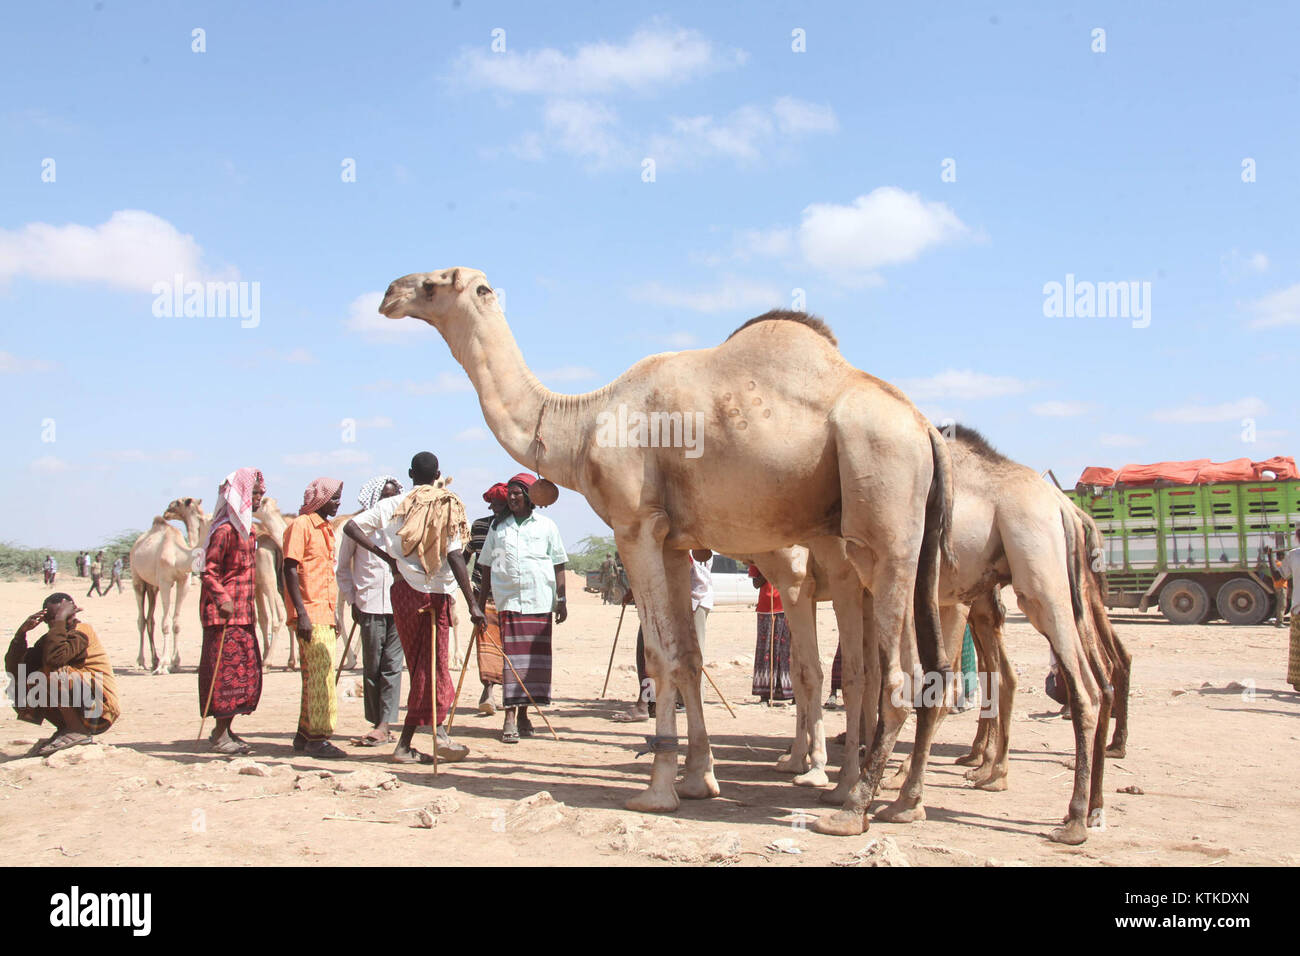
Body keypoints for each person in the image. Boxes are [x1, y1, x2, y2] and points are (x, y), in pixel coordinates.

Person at [344, 453, 483, 764]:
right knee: (430, 667)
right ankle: (419, 741)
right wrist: (472, 603)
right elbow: (456, 556)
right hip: (437, 593)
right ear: (438, 473)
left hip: (404, 592)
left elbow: (351, 527)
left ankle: (423, 738)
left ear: (410, 473)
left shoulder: (390, 504)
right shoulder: (446, 503)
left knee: (422, 666)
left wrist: (387, 557)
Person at [477, 473, 567, 743]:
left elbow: (559, 563)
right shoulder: (498, 528)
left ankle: (525, 714)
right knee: (511, 662)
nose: (513, 498)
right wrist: (478, 606)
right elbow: (485, 565)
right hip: (509, 602)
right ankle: (509, 717)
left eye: (518, 493)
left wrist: (562, 600)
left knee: (533, 665)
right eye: (511, 494)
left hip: (539, 601)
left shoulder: (547, 526)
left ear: (530, 497)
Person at [199, 468, 266, 755]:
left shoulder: (249, 530)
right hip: (224, 616)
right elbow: (207, 570)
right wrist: (222, 598)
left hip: (244, 613)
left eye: (261, 494)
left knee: (244, 673)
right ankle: (218, 734)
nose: (260, 499)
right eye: (254, 494)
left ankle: (226, 730)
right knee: (224, 673)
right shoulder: (225, 531)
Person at [336, 474, 405, 747]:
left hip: (399, 605)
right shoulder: (358, 528)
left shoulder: (401, 525)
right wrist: (353, 600)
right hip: (369, 605)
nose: (389, 501)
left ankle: (384, 723)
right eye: (384, 497)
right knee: (373, 666)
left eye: (392, 496)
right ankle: (378, 722)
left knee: (393, 666)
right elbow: (342, 569)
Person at [5, 593, 120, 755]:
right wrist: (20, 635)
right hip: (85, 708)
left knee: (55, 672)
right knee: (21, 682)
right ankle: (66, 727)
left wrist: (59, 620)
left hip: (100, 710)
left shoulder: (82, 631)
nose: (61, 622)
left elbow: (55, 660)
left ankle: (77, 729)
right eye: (53, 619)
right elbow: (16, 670)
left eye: (64, 616)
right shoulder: (52, 638)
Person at [283, 476, 346, 758]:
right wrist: (302, 614)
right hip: (311, 612)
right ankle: (318, 738)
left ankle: (303, 735)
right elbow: (289, 569)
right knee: (321, 679)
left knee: (315, 677)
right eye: (334, 498)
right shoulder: (301, 526)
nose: (338, 503)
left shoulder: (325, 530)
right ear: (320, 499)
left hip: (324, 612)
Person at [464, 482, 509, 715]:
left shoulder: (510, 527)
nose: (495, 508)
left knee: (503, 647)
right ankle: (489, 693)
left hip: (506, 596)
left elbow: (464, 556)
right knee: (489, 646)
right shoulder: (482, 526)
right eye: (493, 504)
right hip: (486, 595)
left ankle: (499, 695)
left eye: (499, 504)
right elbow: (466, 555)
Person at [750, 564, 793, 702]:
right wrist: (767, 570)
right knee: (766, 651)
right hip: (766, 608)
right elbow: (756, 583)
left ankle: (790, 692)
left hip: (786, 607)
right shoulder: (757, 558)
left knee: (785, 651)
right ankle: (765, 694)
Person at [1282, 530, 1300, 692]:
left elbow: (1280, 576)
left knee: (1298, 646)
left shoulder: (1293, 555)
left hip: (1298, 606)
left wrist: (1271, 561)